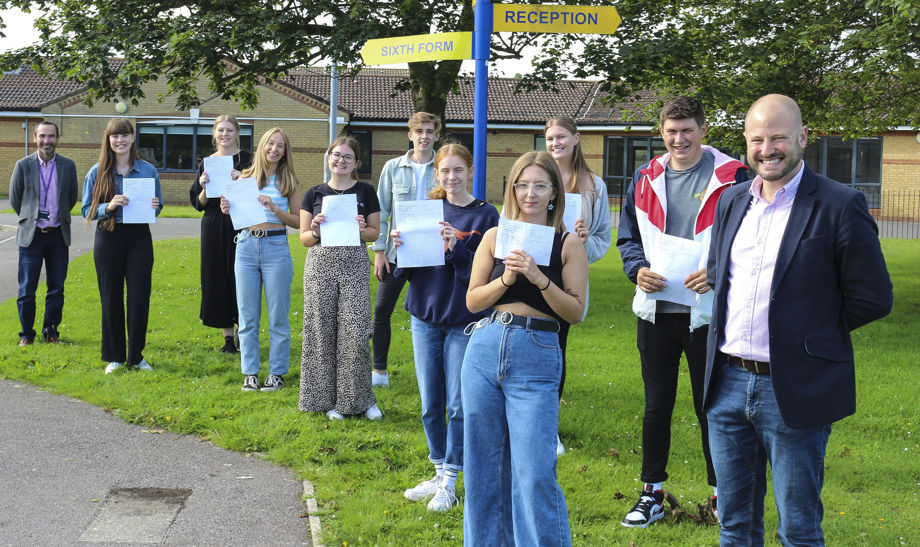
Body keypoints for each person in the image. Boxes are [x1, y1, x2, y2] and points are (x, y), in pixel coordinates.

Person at [704, 94, 892, 545]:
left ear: (803, 137)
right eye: (757, 139)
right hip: (726, 385)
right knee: (734, 525)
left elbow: (873, 297)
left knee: (799, 528)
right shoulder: (730, 202)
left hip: (793, 387)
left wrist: (806, 335)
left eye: (778, 138)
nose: (767, 149)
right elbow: (718, 275)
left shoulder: (839, 204)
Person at [616, 95, 748, 527]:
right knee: (657, 406)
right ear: (662, 132)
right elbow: (628, 238)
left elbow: (751, 240)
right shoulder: (644, 176)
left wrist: (716, 271)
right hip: (656, 312)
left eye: (687, 130)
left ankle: (721, 494)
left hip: (708, 316)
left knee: (710, 407)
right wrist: (637, 270)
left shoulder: (734, 176)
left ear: (703, 129)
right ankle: (652, 492)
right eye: (671, 131)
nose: (679, 139)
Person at [462, 151, 588, 546]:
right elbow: (472, 301)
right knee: (483, 468)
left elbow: (576, 311)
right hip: (484, 347)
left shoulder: (567, 244)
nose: (529, 193)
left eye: (539, 185)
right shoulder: (495, 237)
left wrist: (538, 278)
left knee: (534, 472)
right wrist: (506, 280)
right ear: (512, 190)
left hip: (536, 351)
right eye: (522, 185)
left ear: (554, 192)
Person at [392, 144, 499, 511]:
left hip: (463, 320)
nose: (451, 177)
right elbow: (405, 270)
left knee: (457, 403)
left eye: (458, 170)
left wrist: (456, 247)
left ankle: (452, 480)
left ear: (470, 170)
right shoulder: (424, 210)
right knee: (429, 403)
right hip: (424, 313)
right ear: (436, 175)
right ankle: (438, 470)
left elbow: (484, 276)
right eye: (445, 171)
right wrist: (400, 247)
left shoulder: (486, 216)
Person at [298, 136, 382, 420]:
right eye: (336, 155)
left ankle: (359, 399)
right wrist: (316, 229)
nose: (341, 161)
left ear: (356, 163)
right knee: (321, 332)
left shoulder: (366, 191)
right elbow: (304, 239)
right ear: (328, 158)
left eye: (347, 157)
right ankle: (323, 399)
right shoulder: (314, 193)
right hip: (321, 264)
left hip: (354, 264)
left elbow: (374, 233)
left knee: (356, 332)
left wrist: (361, 228)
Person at [543, 115, 613, 456]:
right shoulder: (537, 175)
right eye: (549, 138)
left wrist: (584, 241)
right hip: (534, 273)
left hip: (566, 280)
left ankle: (549, 428)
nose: (555, 143)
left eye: (561, 137)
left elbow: (603, 239)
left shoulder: (594, 186)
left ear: (576, 138)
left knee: (556, 350)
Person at [219, 128, 301, 392]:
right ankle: (250, 372)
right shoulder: (244, 178)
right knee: (247, 315)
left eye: (280, 146)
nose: (274, 150)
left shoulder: (290, 182)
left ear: (286, 151)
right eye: (270, 144)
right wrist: (227, 208)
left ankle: (276, 373)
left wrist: (275, 209)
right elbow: (237, 217)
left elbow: (300, 222)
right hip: (245, 247)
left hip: (276, 247)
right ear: (262, 146)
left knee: (278, 315)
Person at [81, 118, 163, 374]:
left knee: (139, 298)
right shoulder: (97, 172)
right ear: (108, 140)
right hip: (109, 237)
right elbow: (86, 210)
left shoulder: (148, 170)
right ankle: (115, 356)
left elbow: (158, 205)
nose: (120, 140)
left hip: (139, 238)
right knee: (111, 297)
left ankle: (136, 356)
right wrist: (109, 206)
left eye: (125, 135)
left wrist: (155, 206)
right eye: (115, 136)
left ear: (133, 138)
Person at [370, 112, 441, 387]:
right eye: (418, 131)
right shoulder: (392, 167)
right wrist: (378, 250)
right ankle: (379, 372)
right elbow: (382, 210)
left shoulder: (443, 167)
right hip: (396, 253)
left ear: (436, 135)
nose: (424, 136)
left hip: (433, 253)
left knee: (431, 313)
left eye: (429, 131)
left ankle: (435, 373)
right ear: (410, 135)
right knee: (381, 310)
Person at [10, 121, 79, 346]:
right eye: (42, 136)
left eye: (50, 136)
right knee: (27, 288)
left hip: (58, 235)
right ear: (34, 139)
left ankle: (51, 332)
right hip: (32, 236)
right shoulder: (23, 165)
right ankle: (26, 334)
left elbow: (70, 197)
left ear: (58, 138)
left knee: (56, 288)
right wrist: (31, 216)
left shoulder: (68, 166)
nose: (46, 141)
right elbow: (15, 199)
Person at [190, 115, 253, 353]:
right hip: (214, 223)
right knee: (216, 277)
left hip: (240, 222)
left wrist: (242, 179)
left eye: (229, 130)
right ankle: (227, 337)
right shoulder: (207, 163)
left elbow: (257, 192)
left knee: (240, 277)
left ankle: (242, 332)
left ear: (237, 133)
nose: (224, 134)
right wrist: (205, 187)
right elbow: (199, 202)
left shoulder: (248, 160)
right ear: (214, 134)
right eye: (220, 130)